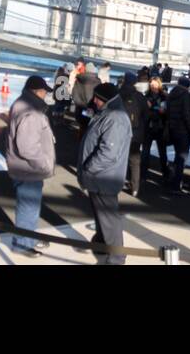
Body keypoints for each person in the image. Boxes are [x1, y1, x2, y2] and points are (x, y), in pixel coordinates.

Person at [79, 83, 132, 264]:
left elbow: (108, 153)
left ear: (107, 99)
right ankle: (102, 242)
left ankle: (117, 257)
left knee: (109, 218)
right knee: (101, 214)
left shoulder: (116, 117)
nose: (94, 101)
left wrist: (89, 168)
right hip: (99, 177)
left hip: (103, 177)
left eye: (97, 98)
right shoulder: (109, 112)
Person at [5, 75, 56, 256]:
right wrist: (45, 164)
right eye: (44, 91)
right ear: (36, 91)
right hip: (28, 168)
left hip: (22, 167)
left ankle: (28, 238)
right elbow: (27, 148)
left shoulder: (22, 104)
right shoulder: (32, 113)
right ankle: (22, 245)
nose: (45, 95)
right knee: (28, 208)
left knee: (28, 207)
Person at [118, 73, 148, 196]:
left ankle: (117, 182)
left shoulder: (118, 94)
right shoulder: (140, 96)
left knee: (119, 158)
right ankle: (135, 187)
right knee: (135, 160)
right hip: (136, 133)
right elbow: (146, 115)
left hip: (120, 131)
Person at [166, 75, 190, 192]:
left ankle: (173, 180)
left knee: (178, 156)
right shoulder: (185, 95)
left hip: (173, 129)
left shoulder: (171, 94)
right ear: (187, 86)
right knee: (182, 158)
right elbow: (187, 115)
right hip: (183, 131)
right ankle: (176, 185)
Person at [142, 75, 170, 185]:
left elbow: (165, 112)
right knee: (145, 152)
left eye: (155, 84)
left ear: (159, 84)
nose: (153, 86)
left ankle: (165, 173)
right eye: (151, 84)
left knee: (162, 152)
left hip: (160, 127)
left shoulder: (164, 96)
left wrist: (153, 107)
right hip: (148, 126)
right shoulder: (146, 95)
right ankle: (143, 173)